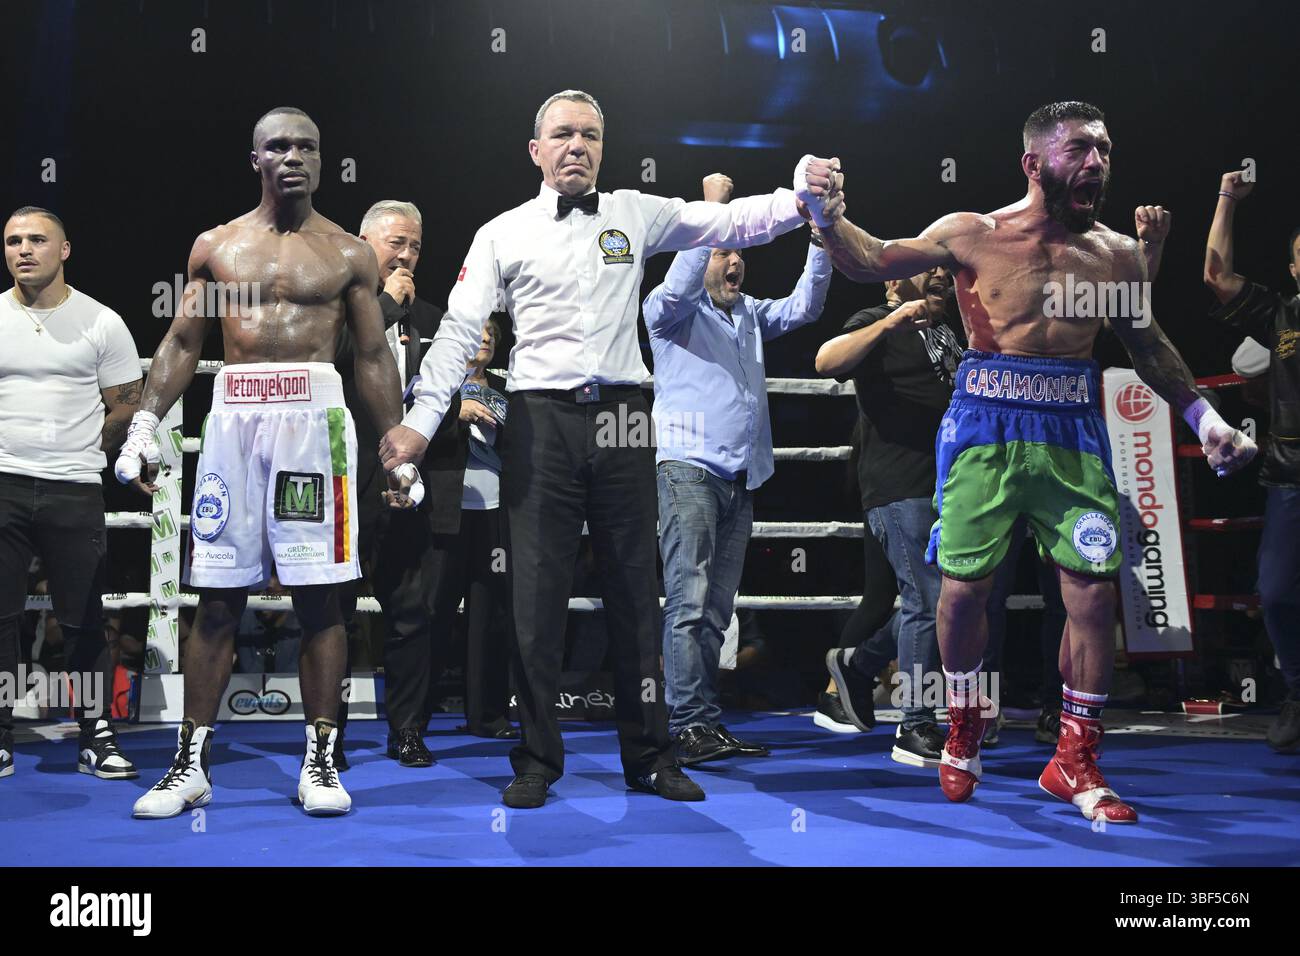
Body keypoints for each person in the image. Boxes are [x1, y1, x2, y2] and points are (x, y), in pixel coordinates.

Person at [379, 89, 840, 808]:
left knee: (636, 595)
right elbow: (462, 334)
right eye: (562, 134)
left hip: (624, 416)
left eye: (589, 135)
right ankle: (535, 757)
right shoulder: (500, 232)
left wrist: (798, 193)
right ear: (536, 151)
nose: (577, 146)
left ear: (602, 146)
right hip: (538, 418)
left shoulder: (634, 211)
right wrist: (420, 418)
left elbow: (729, 219)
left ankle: (652, 755)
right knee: (536, 599)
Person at [815, 101, 1256, 823]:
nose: (1097, 164)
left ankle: (1076, 759)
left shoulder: (1113, 254)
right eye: (1080, 149)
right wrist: (827, 217)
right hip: (985, 428)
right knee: (961, 591)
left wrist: (1202, 417)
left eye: (1105, 150)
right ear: (1034, 163)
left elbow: (1145, 344)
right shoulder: (972, 233)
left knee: (1092, 592)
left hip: (1073, 431)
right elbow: (873, 260)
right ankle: (962, 725)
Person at [117, 108, 415, 818]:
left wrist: (398, 444)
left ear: (321, 159)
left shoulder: (348, 254)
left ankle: (319, 761)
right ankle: (191, 762)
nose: (293, 157)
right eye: (278, 146)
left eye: (307, 146)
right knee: (218, 598)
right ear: (254, 158)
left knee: (320, 597)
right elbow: (184, 342)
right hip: (235, 421)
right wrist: (144, 427)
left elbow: (372, 356)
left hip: (315, 423)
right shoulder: (220, 248)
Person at [644, 172, 832, 765]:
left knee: (717, 611)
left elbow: (805, 307)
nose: (734, 263)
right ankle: (685, 724)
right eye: (723, 251)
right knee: (689, 602)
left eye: (739, 252)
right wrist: (713, 209)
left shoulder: (748, 313)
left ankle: (703, 721)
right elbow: (678, 279)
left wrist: (820, 237)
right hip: (688, 472)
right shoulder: (668, 311)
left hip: (739, 479)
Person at [0, 206, 143, 782]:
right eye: (13, 241)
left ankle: (96, 733)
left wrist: (91, 446)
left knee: (83, 617)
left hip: (75, 484)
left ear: (64, 249)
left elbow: (127, 402)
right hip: (3, 481)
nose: (23, 249)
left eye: (37, 239)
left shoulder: (101, 322)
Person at [336, 199, 466, 769]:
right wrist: (385, 307)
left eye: (415, 245)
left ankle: (408, 730)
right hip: (345, 483)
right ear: (364, 246)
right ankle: (327, 735)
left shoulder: (436, 322)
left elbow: (453, 400)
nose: (407, 254)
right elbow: (335, 366)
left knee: (413, 613)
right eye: (396, 243)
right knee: (334, 613)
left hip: (411, 487)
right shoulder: (332, 313)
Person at [815, 265, 962, 766]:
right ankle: (915, 723)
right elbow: (825, 360)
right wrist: (891, 321)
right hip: (899, 487)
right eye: (927, 269)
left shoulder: (947, 335)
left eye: (945, 269)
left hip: (949, 491)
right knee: (927, 598)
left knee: (946, 601)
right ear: (894, 284)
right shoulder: (878, 317)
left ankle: (857, 665)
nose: (941, 274)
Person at [1202, 170, 1300, 753]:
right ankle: (1296, 693)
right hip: (1290, 479)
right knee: (1278, 590)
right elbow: (1215, 275)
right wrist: (1226, 200)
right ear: (1294, 268)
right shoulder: (1283, 316)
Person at [431, 315, 516, 739]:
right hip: (444, 509)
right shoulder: (436, 381)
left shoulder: (508, 388)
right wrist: (457, 412)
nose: (483, 340)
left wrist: (501, 428)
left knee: (492, 615)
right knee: (433, 612)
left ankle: (489, 716)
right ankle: (415, 719)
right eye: (476, 334)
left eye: (490, 336)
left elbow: (525, 446)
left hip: (496, 511)